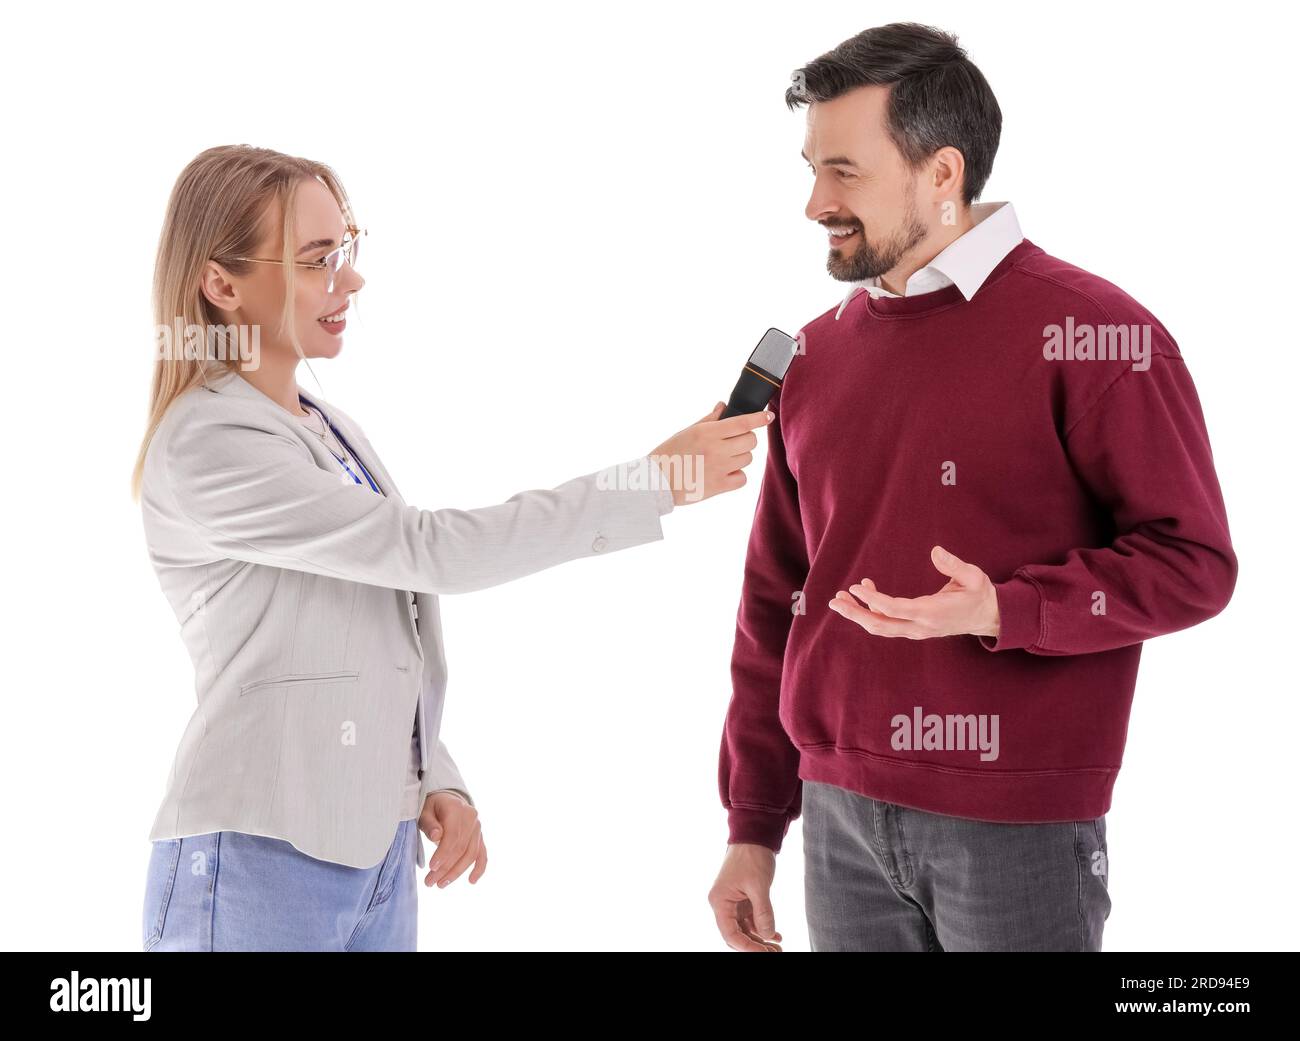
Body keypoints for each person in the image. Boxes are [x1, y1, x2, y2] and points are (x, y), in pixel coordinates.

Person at [134, 144, 772, 951]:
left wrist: (430, 777)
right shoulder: (209, 442)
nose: (349, 281)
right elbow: (429, 549)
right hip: (258, 855)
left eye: (347, 250)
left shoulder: (328, 429)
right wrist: (656, 481)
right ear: (221, 285)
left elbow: (363, 636)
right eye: (316, 260)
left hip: (374, 855)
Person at [709, 22, 1237, 952]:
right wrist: (754, 825)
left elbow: (1194, 562)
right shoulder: (813, 355)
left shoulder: (1099, 335)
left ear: (942, 173)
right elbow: (773, 601)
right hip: (837, 823)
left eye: (845, 172)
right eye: (811, 169)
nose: (814, 203)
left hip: (1016, 827)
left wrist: (1008, 608)